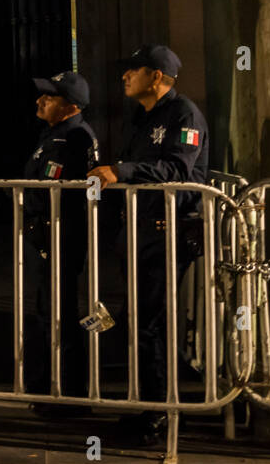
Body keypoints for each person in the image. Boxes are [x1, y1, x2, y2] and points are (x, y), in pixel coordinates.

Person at [89, 44, 208, 443]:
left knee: (150, 323)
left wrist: (121, 171)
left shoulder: (183, 114)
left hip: (166, 231)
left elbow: (177, 168)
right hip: (141, 231)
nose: (125, 76)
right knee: (139, 321)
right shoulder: (142, 117)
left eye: (134, 70)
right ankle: (153, 405)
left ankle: (161, 413)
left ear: (156, 76)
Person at [22, 71, 100, 406]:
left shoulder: (75, 137)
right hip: (46, 235)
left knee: (60, 313)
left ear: (70, 106)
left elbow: (63, 193)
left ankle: (68, 392)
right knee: (47, 310)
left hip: (61, 236)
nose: (40, 101)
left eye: (50, 97)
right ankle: (48, 386)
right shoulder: (53, 134)